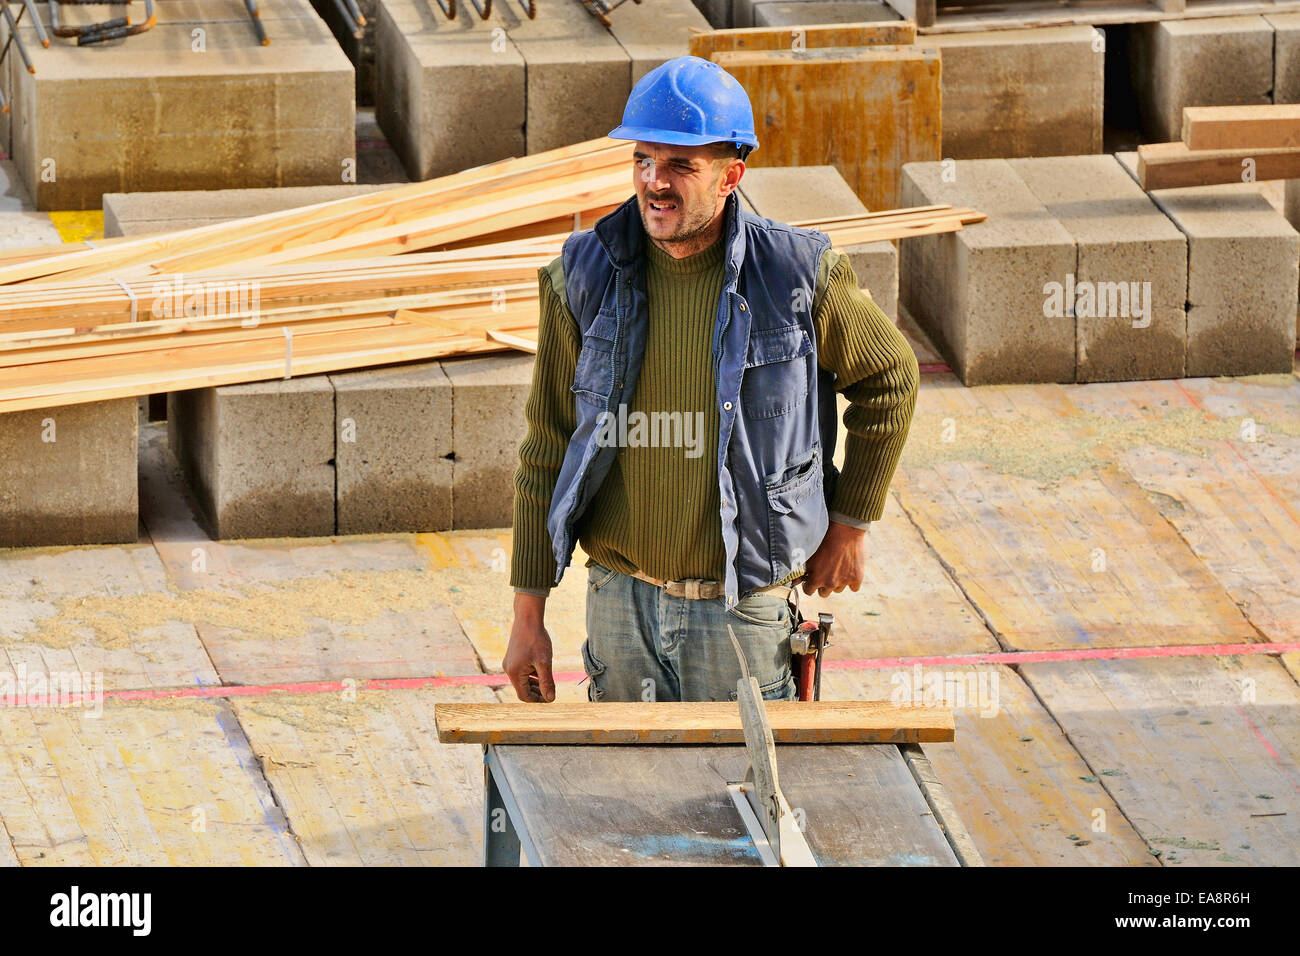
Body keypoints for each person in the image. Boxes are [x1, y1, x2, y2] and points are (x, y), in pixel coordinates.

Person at [503, 55, 918, 704]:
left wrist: (851, 523)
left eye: (679, 166)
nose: (653, 183)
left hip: (742, 613)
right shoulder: (584, 276)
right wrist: (528, 617)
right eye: (643, 161)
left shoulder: (796, 276)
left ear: (731, 176)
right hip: (619, 605)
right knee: (628, 801)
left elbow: (890, 378)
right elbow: (547, 447)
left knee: (744, 797)